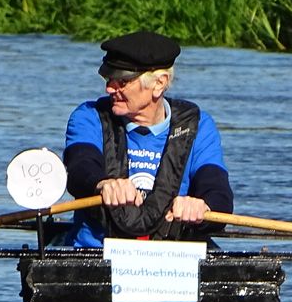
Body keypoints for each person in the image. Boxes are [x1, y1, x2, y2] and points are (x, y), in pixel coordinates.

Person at [61, 30, 233, 247]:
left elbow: (216, 187)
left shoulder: (199, 126)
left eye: (122, 82)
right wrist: (102, 184)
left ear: (159, 84)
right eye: (108, 79)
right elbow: (80, 165)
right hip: (95, 253)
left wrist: (204, 206)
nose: (109, 88)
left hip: (173, 260)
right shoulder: (89, 116)